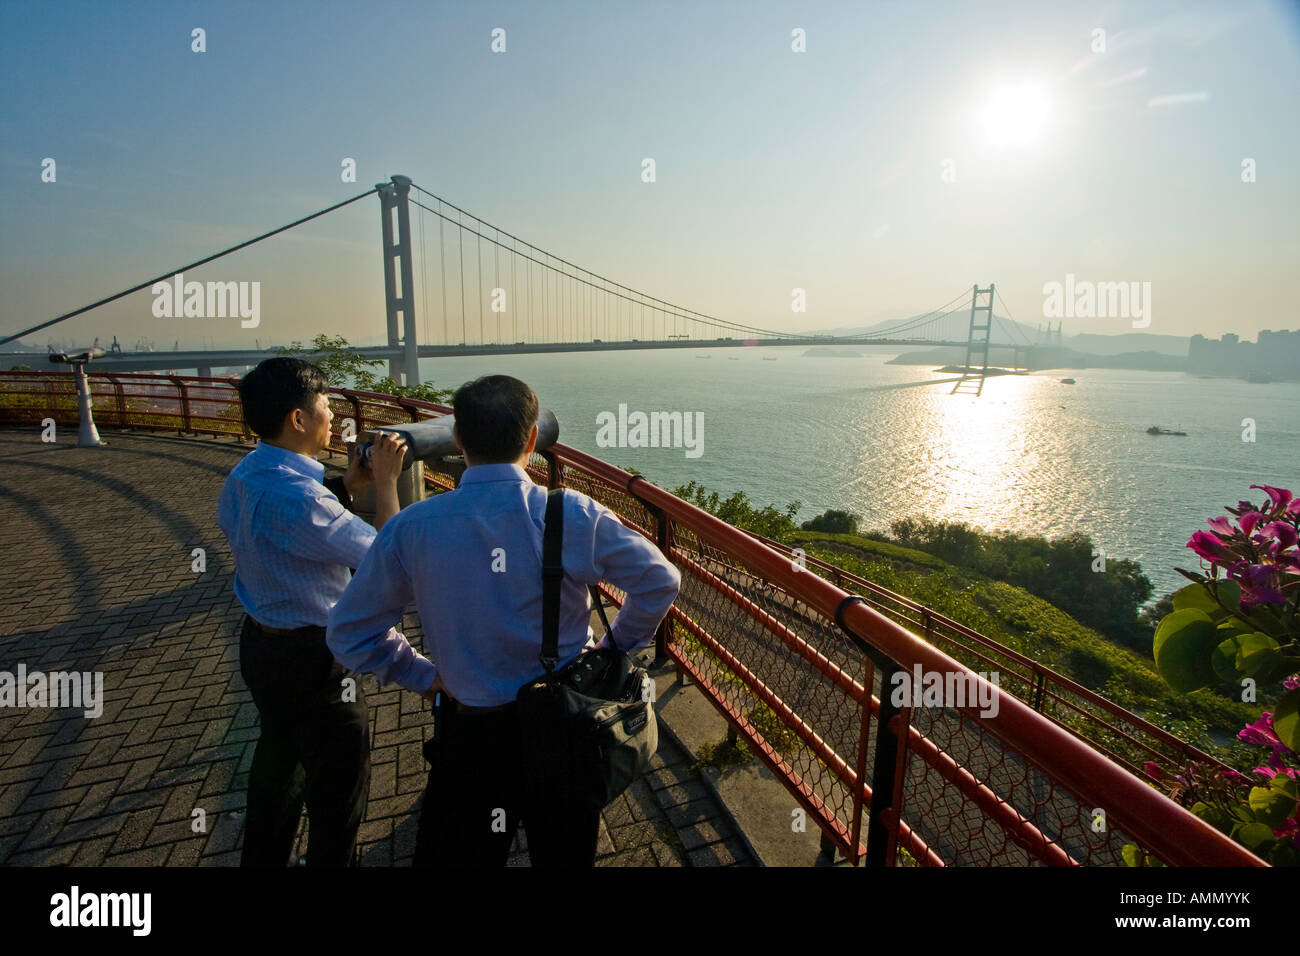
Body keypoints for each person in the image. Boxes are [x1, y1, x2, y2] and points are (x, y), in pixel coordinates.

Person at [327, 374, 681, 867]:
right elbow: (660, 580)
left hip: (469, 735)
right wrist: (611, 650)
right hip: (565, 727)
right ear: (533, 439)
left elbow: (348, 633)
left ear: (458, 439)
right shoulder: (569, 514)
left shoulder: (413, 527)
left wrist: (424, 676)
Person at [216, 356, 408, 867]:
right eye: (325, 405)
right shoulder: (303, 500)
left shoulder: (245, 475)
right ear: (298, 420)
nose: (332, 417)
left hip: (261, 645)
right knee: (339, 792)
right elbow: (387, 561)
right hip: (318, 663)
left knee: (279, 764)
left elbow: (297, 530)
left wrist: (350, 484)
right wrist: (388, 482)